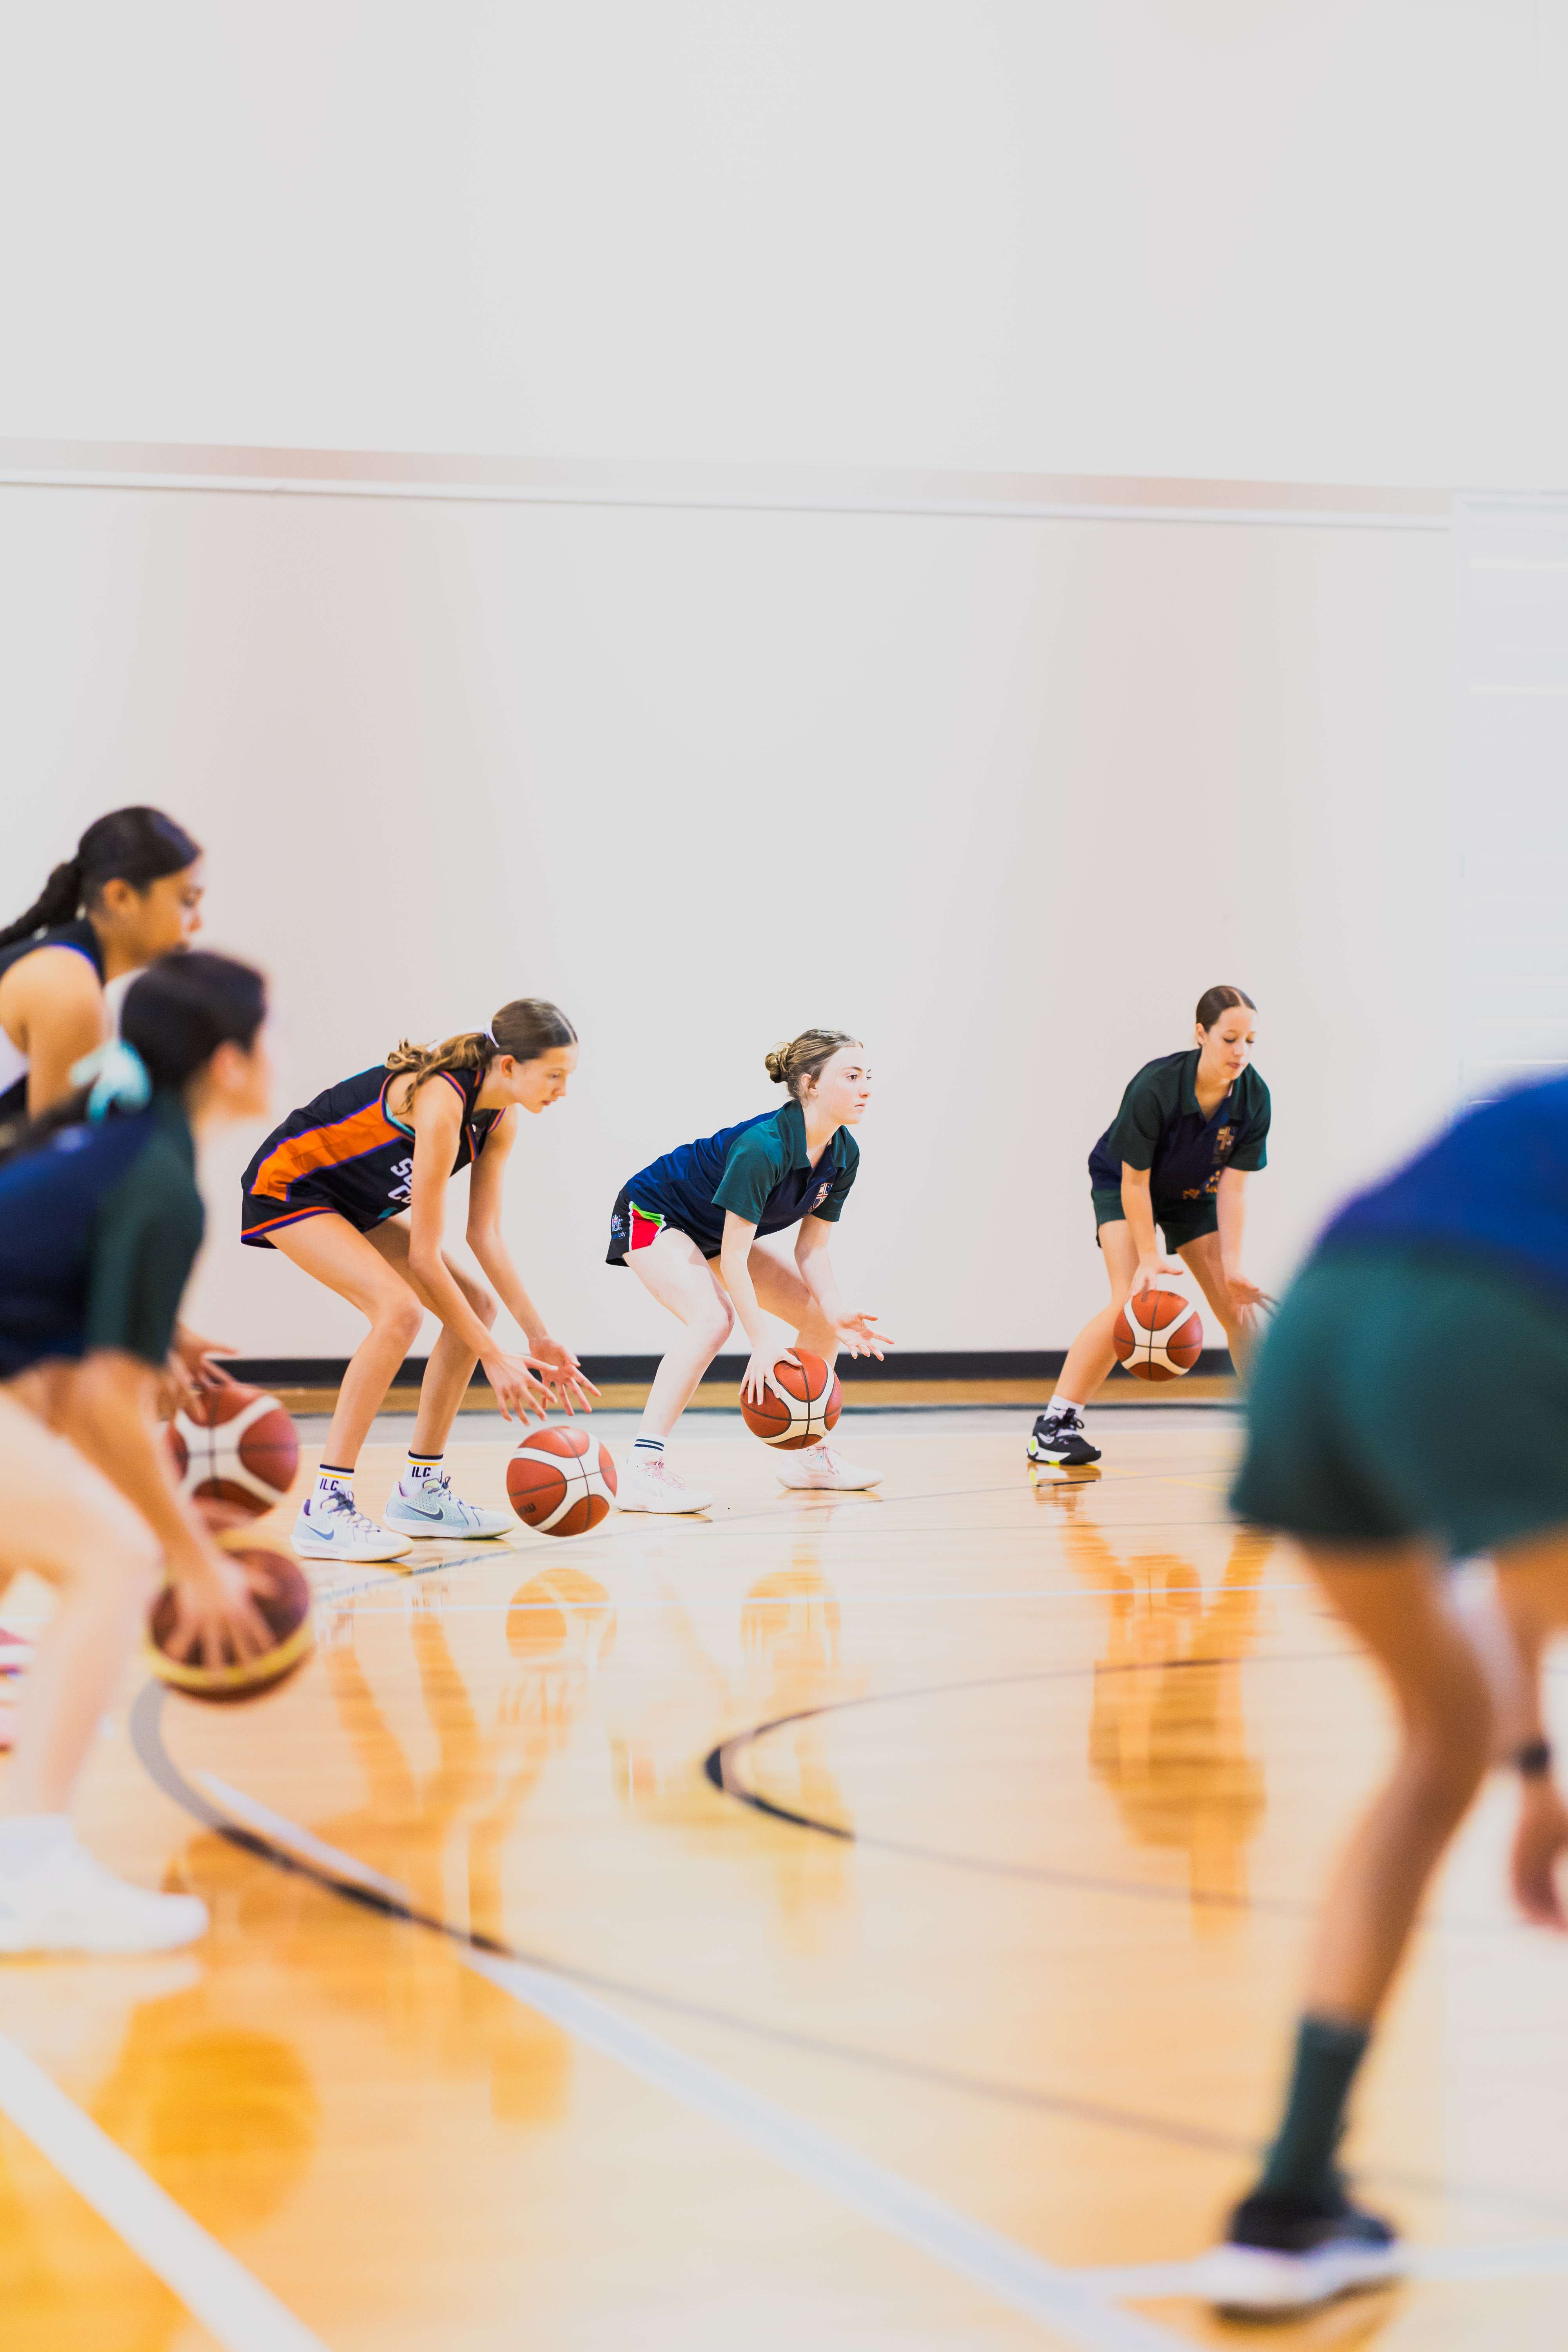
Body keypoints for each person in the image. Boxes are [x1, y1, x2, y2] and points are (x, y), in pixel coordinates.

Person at [1199, 1073, 1568, 2316]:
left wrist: (1528, 1763)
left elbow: (1507, 1572)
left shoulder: (1530, 1108)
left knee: (1436, 1744)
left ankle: (1289, 2200)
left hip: (1319, 1329)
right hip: (1485, 1329)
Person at [0, 953, 277, 1953]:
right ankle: (30, 1873)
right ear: (229, 1061)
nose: (275, 1052)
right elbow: (113, 1412)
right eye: (269, 1032)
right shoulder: (161, 1180)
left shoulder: (108, 1143)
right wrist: (191, 1557)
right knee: (113, 1556)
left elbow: (74, 1382)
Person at [241, 1000, 595, 1563]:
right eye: (554, 1075)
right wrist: (491, 1356)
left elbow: (487, 1238)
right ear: (509, 1067)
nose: (563, 1090)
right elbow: (426, 1259)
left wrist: (536, 1336)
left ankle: (420, 1493)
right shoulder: (440, 1105)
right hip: (292, 1185)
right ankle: (325, 1509)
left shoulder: (501, 1120)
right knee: (399, 1311)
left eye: (568, 1077)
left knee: (476, 1304)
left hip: (353, 1200)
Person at [604, 1029, 890, 1512]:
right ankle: (641, 1469)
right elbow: (734, 1257)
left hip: (714, 1228)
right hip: (653, 1213)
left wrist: (837, 1309)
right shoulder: (764, 1147)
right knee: (712, 1320)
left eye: (868, 1077)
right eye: (852, 1076)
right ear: (811, 1085)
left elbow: (813, 1250)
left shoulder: (844, 1153)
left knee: (820, 1317)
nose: (866, 1088)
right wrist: (762, 1343)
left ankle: (807, 1456)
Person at [1027, 987, 1274, 1468]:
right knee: (1128, 1304)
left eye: (1249, 1040)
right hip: (1123, 1182)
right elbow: (1135, 1182)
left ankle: (1272, 1434)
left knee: (1238, 1308)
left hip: (1192, 1195)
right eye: (1229, 1039)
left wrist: (1234, 1266)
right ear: (1201, 1034)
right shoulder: (1155, 1085)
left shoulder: (1255, 1097)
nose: (1240, 1051)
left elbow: (1234, 1190)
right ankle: (1053, 1426)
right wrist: (1147, 1256)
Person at [0, 807, 206, 1123]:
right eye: (188, 901)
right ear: (121, 897)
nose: (197, 925)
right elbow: (59, 1162)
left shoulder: (64, 966)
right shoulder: (67, 988)